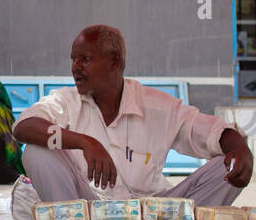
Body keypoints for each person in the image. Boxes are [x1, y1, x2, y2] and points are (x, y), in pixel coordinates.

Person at [14, 25, 252, 202]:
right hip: (87, 214)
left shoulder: (157, 106)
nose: (75, 67)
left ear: (114, 62)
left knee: (228, 165)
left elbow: (213, 131)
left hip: (156, 217)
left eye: (84, 59)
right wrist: (85, 143)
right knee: (37, 152)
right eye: (73, 60)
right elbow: (24, 127)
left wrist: (241, 151)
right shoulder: (66, 101)